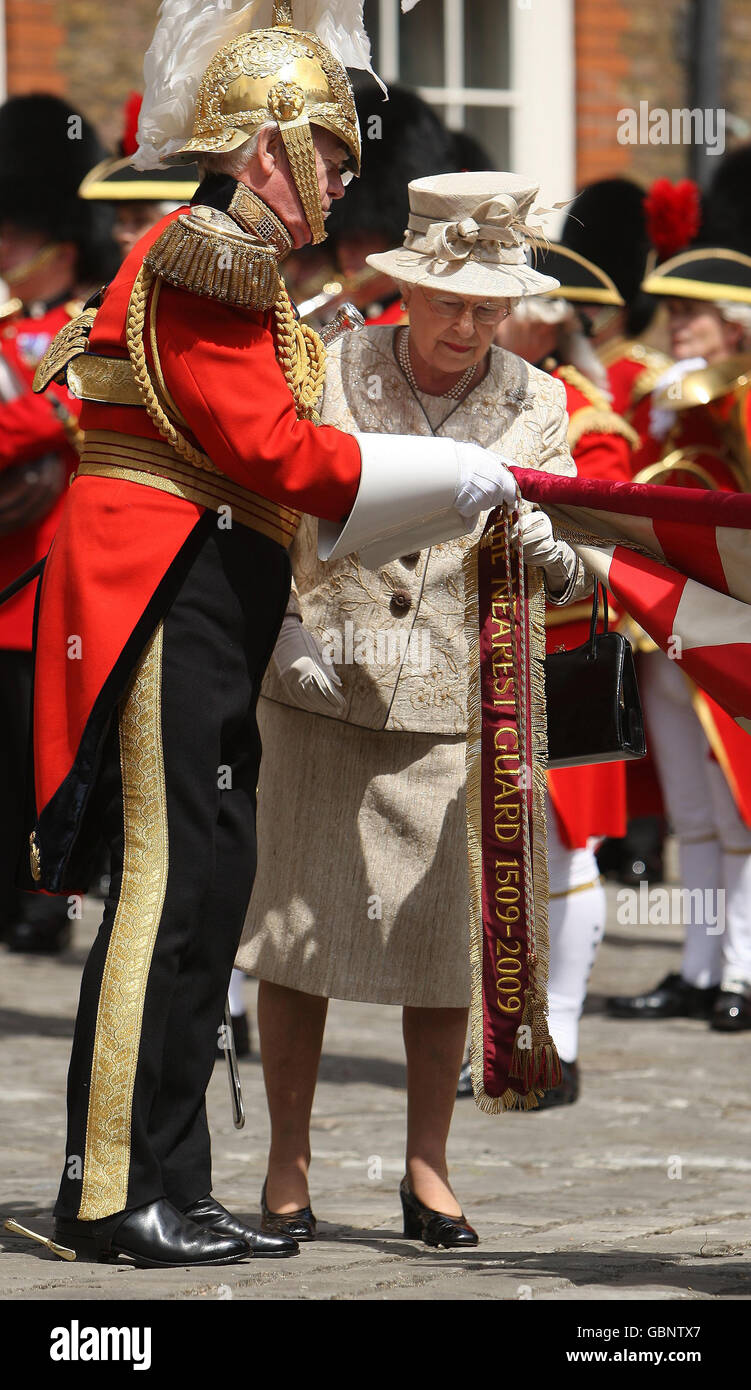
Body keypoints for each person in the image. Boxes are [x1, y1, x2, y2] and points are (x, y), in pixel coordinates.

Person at [24, 2, 519, 1270]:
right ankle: (114, 1192)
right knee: (166, 889)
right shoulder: (208, 251)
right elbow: (271, 451)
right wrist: (433, 472)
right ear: (271, 143)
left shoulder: (240, 263)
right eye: (335, 156)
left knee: (204, 884)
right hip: (161, 586)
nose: (344, 181)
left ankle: (166, 1183)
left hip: (206, 586)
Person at [237, 171, 590, 1247]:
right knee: (301, 940)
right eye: (450, 304)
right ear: (402, 288)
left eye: (490, 306)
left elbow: (582, 562)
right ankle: (286, 1167)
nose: (469, 325)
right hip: (323, 684)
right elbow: (255, 504)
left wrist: (552, 555)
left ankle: (426, 1168)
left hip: (457, 708)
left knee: (444, 955)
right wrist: (277, 629)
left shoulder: (540, 400)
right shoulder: (328, 365)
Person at [483, 243, 635, 1106]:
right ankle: (501, 1035)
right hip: (466, 649)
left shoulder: (589, 419)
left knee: (564, 850)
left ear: (547, 318)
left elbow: (599, 542)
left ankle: (560, 1038)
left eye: (501, 305)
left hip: (553, 651)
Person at [607, 243, 751, 1030]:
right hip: (658, 621)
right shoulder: (658, 398)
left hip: (726, 622)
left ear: (735, 327)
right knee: (692, 814)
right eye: (675, 312)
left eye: (694, 312)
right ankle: (700, 966)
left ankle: (741, 969)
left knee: (737, 811)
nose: (678, 325)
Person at [0, 94, 118, 957]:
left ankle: (51, 894)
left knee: (54, 751)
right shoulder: (17, 332)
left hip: (57, 578)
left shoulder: (73, 333)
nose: (5, 250)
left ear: (57, 242)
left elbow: (49, 416)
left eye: (16, 233)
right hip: (12, 579)